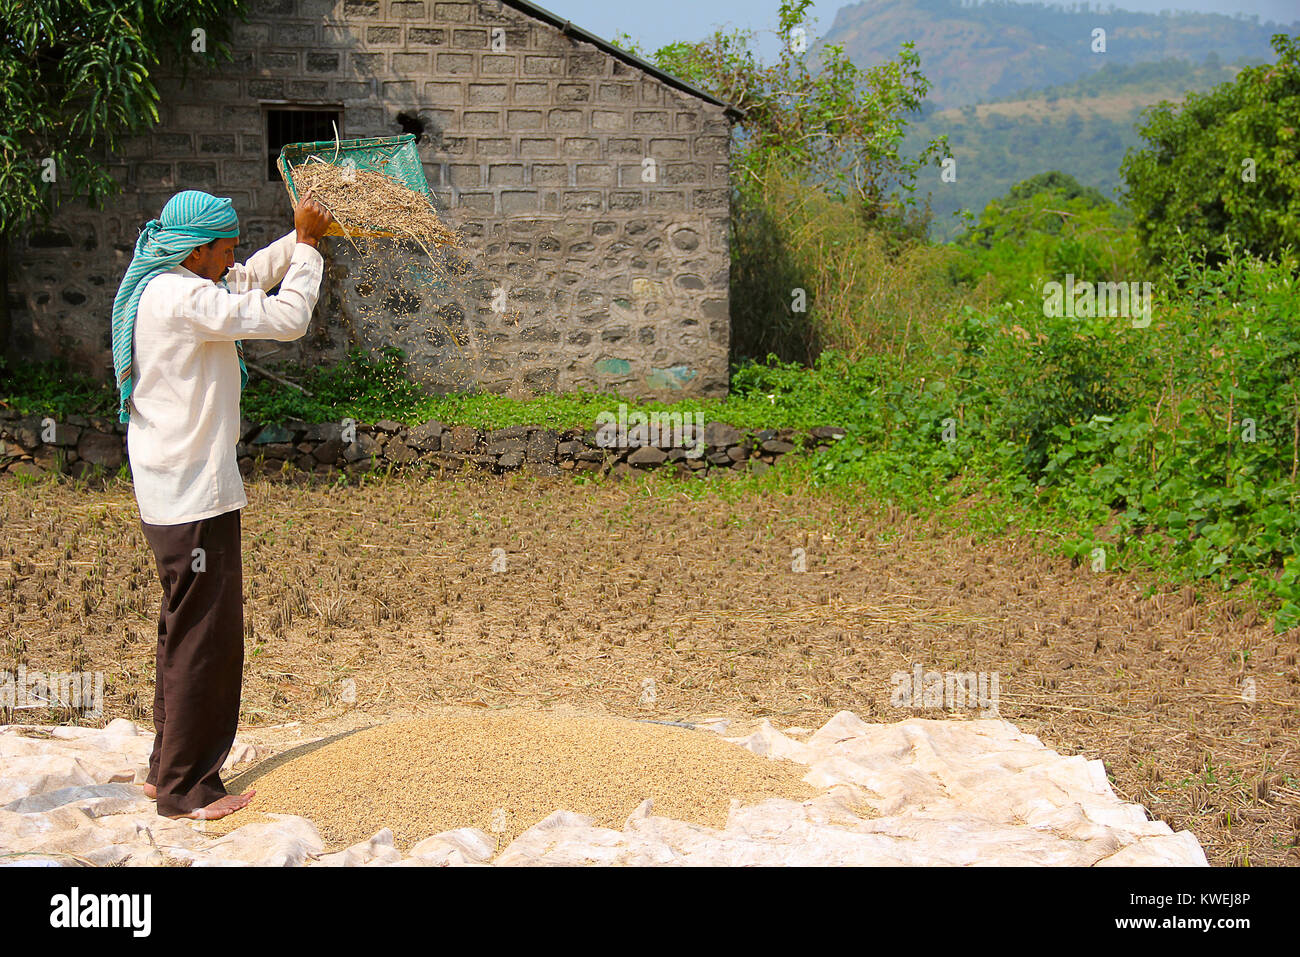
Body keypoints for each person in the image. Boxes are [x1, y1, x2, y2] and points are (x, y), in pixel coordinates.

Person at [110, 188, 334, 820]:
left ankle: (166, 772)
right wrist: (311, 249)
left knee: (182, 631)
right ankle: (188, 790)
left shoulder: (172, 282)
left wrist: (298, 237)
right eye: (226, 248)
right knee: (205, 638)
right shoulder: (182, 298)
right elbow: (285, 317)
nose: (234, 259)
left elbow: (249, 278)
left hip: (172, 491)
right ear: (197, 248)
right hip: (194, 497)